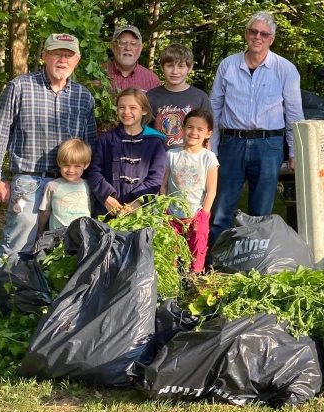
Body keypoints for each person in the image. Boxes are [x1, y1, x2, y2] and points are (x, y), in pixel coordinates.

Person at [0, 33, 97, 261]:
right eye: (57, 54)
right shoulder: (20, 87)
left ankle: (44, 285)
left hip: (69, 184)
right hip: (29, 182)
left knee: (63, 250)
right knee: (18, 246)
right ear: (45, 56)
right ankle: (5, 283)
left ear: (77, 60)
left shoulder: (83, 97)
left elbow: (90, 143)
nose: (62, 60)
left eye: (68, 55)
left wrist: (90, 183)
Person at [209, 10, 304, 247]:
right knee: (221, 208)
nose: (257, 37)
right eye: (253, 31)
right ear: (246, 34)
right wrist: (211, 147)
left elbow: (294, 114)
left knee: (261, 211)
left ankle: (256, 261)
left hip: (268, 145)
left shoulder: (285, 69)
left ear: (272, 39)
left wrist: (294, 151)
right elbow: (214, 107)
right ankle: (215, 258)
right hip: (231, 143)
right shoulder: (228, 65)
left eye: (264, 33)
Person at [85, 88, 168, 217]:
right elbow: (94, 171)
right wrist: (107, 197)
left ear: (144, 110)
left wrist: (137, 202)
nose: (126, 112)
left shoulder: (155, 143)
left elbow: (155, 178)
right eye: (121, 107)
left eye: (133, 107)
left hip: (141, 212)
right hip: (108, 210)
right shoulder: (106, 139)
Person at [162, 109, 218, 273]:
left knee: (197, 251)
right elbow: (163, 185)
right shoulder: (171, 155)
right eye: (190, 127)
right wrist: (165, 209)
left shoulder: (208, 157)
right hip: (173, 215)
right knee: (170, 251)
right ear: (182, 129)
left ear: (208, 134)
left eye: (200, 129)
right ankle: (171, 281)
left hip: (196, 214)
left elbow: (211, 191)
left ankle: (194, 279)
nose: (194, 132)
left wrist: (202, 215)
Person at [147, 43, 211, 149]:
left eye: (181, 66)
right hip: (157, 155)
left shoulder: (200, 98)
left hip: (190, 157)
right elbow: (143, 131)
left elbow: (206, 137)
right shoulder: (151, 96)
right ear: (162, 67)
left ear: (190, 68)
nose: (175, 71)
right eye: (170, 66)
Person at [37, 138, 93, 235]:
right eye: (66, 165)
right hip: (57, 237)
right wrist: (40, 230)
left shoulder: (88, 185)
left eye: (77, 166)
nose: (71, 170)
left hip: (83, 237)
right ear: (59, 163)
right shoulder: (52, 186)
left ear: (86, 165)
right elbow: (45, 212)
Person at [103, 25, 161, 93]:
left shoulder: (152, 81)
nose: (128, 48)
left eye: (133, 44)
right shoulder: (98, 73)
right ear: (113, 46)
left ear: (140, 48)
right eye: (123, 43)